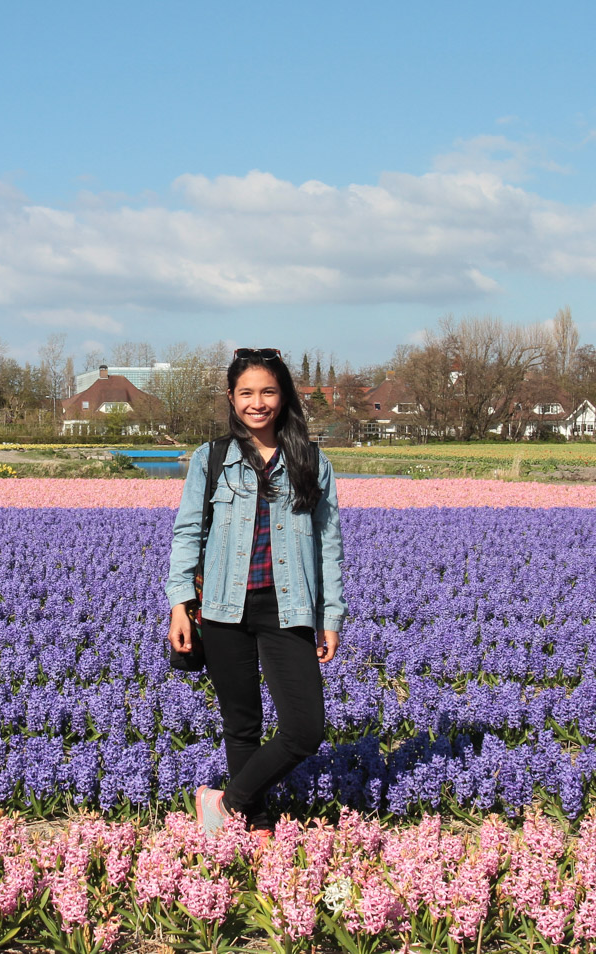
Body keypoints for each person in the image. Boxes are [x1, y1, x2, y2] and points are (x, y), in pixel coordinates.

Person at [164, 347, 345, 834]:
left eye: (268, 392)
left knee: (304, 730)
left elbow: (328, 545)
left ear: (283, 397)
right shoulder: (211, 459)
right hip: (223, 606)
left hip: (289, 606)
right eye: (246, 393)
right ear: (231, 397)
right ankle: (254, 823)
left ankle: (225, 803)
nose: (257, 403)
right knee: (241, 725)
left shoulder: (311, 461)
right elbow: (187, 532)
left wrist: (330, 616)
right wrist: (180, 604)